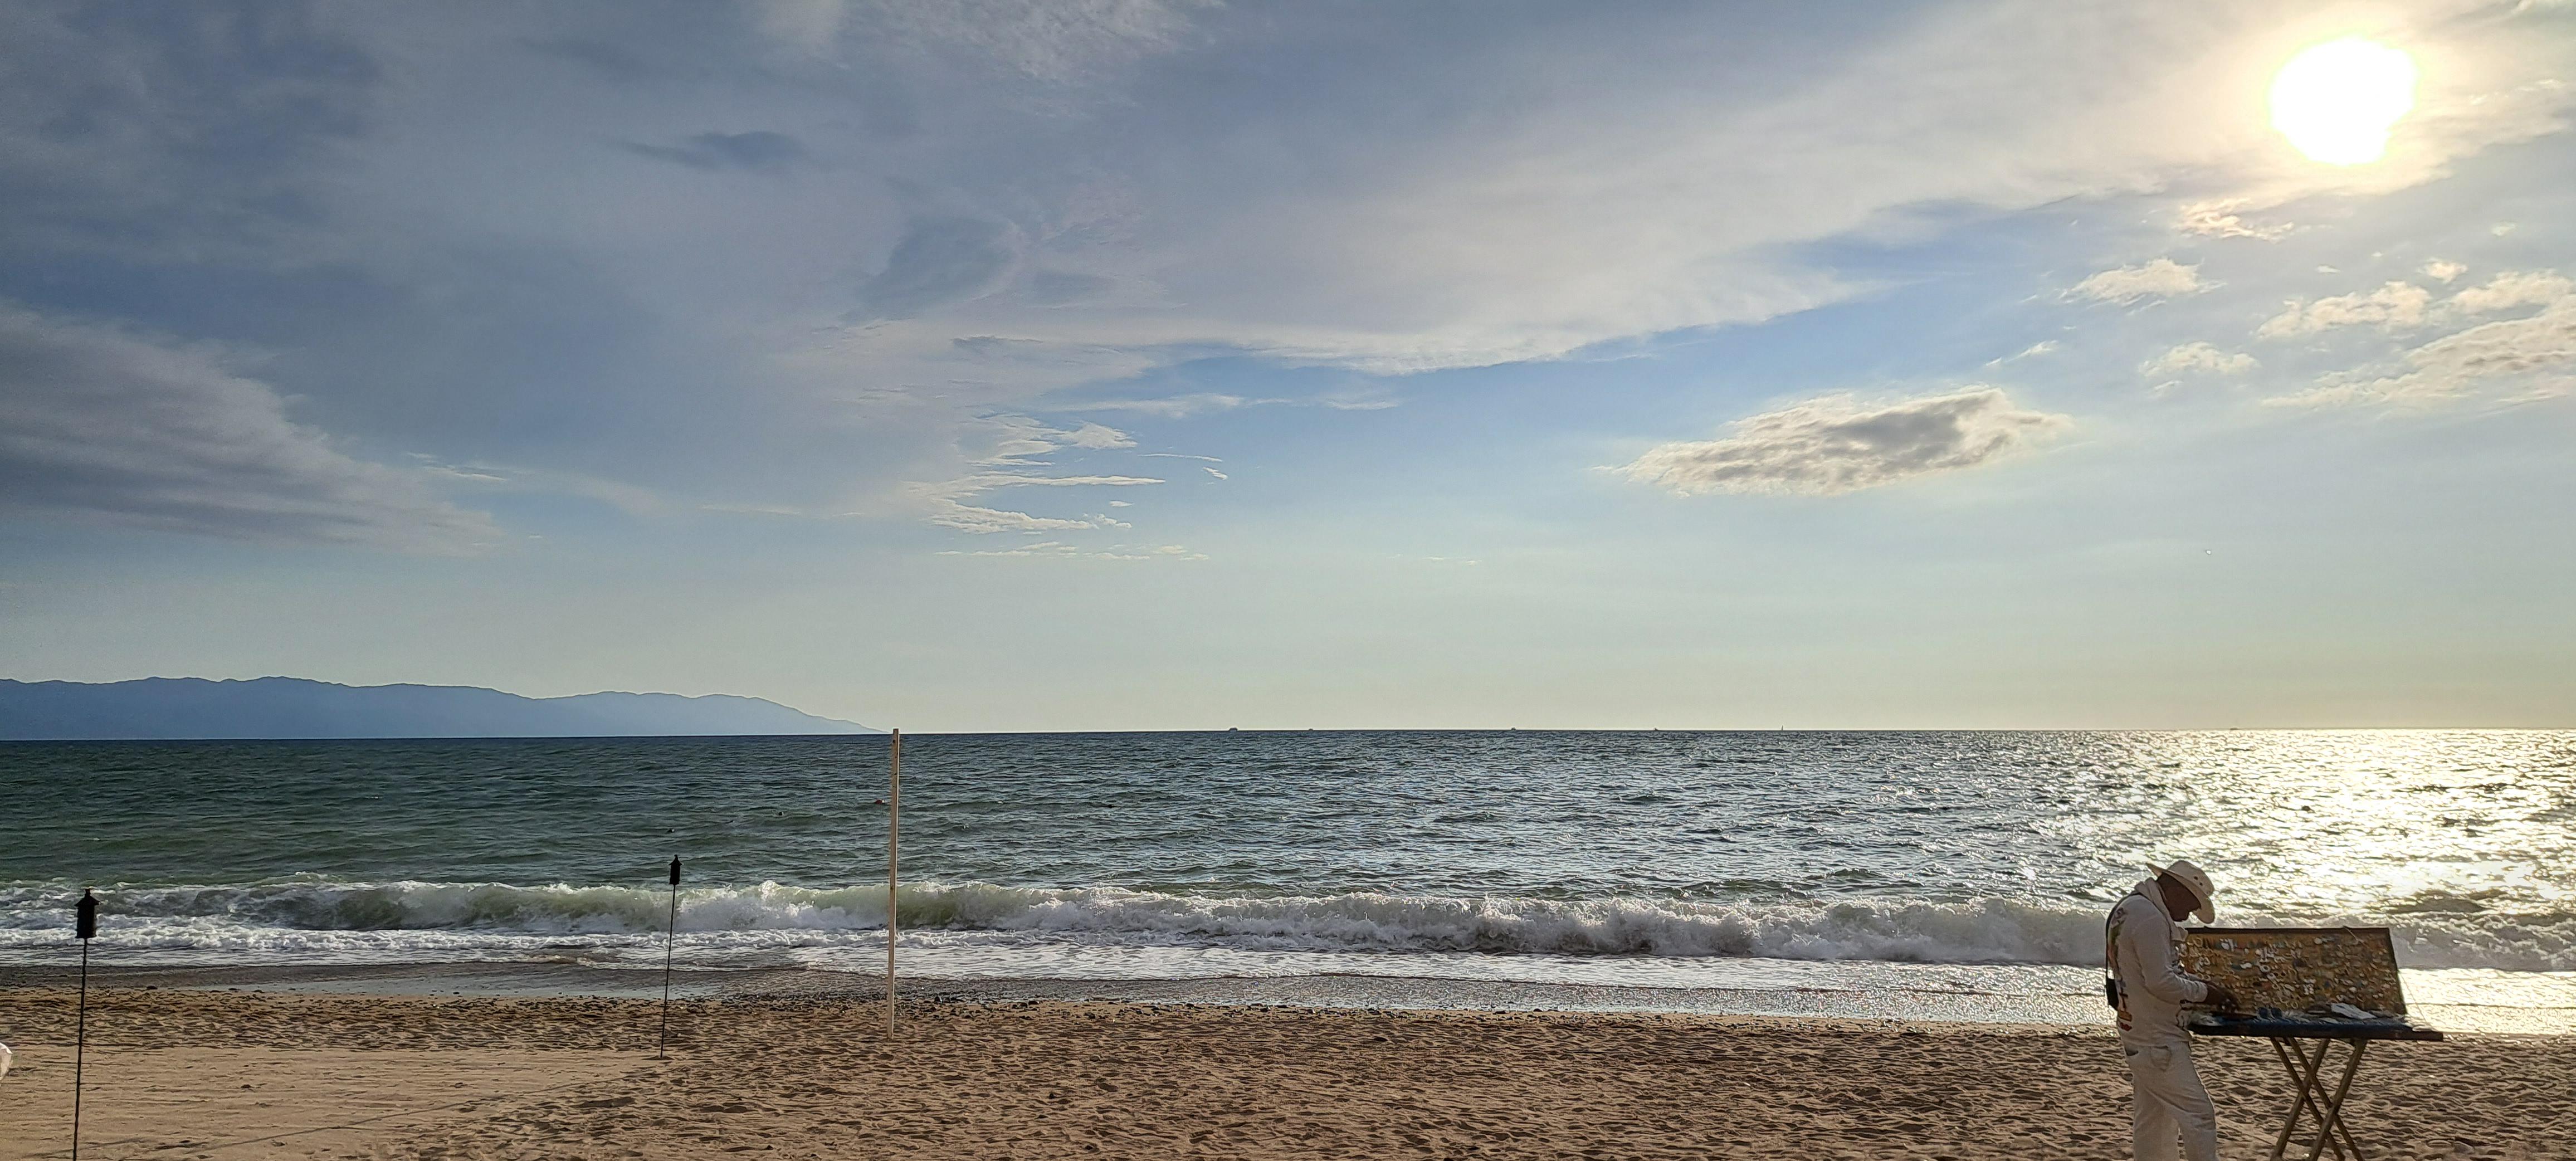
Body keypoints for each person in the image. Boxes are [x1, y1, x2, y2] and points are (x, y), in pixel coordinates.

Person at [2106, 859, 2238, 1161]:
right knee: (2199, 1116)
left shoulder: (2127, 908)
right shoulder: (2152, 919)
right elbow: (2161, 982)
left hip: (2136, 1028)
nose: (2188, 916)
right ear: (2177, 891)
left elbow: (2146, 973)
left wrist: (2197, 984)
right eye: (2191, 907)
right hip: (2157, 1040)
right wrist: (2207, 992)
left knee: (2154, 1122)